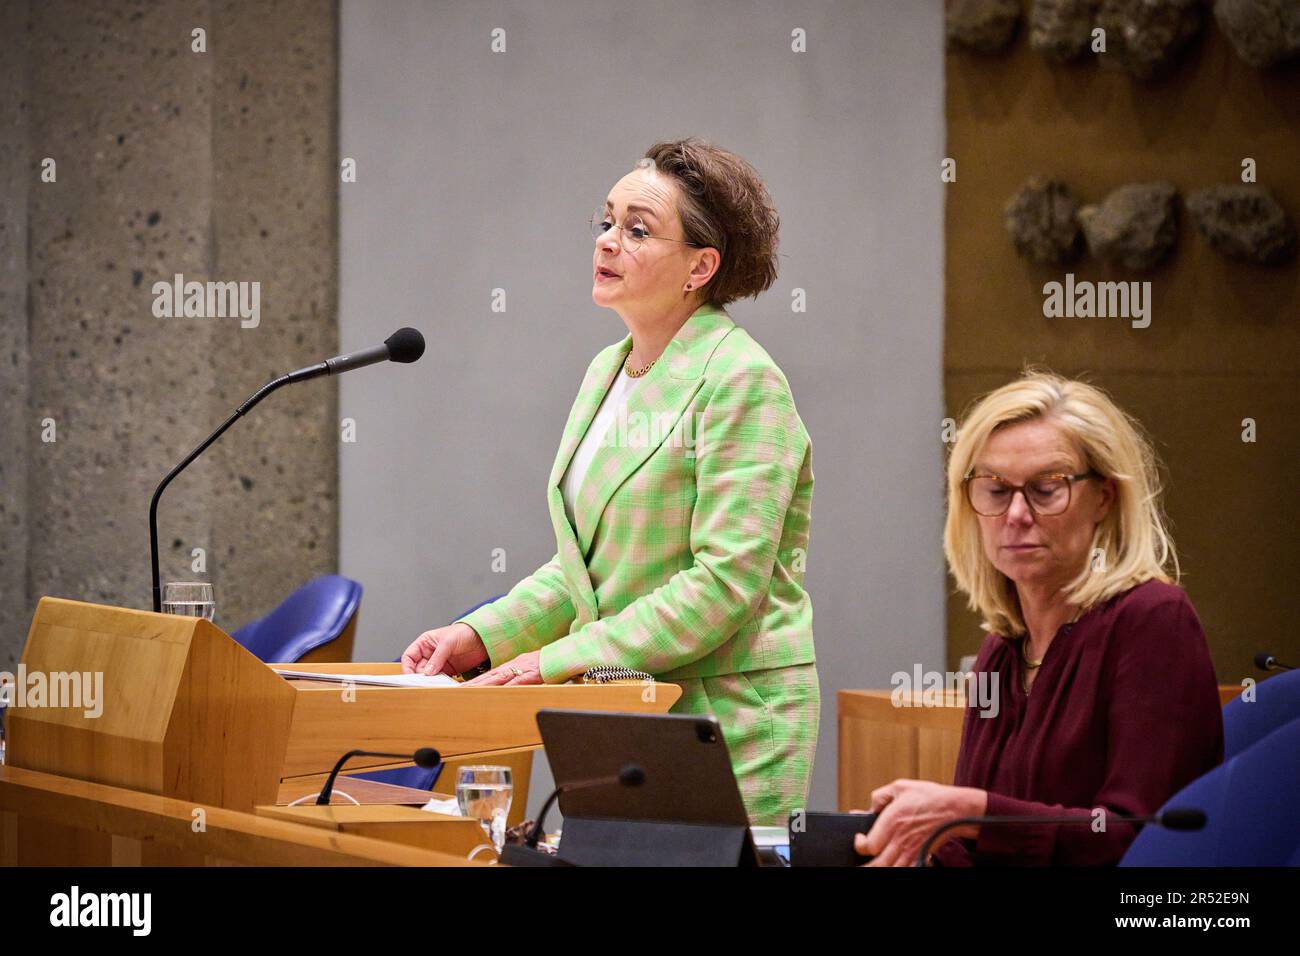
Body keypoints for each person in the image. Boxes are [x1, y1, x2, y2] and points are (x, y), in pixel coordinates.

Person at [401, 138, 818, 826]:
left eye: (638, 230)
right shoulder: (607, 371)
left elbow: (726, 583)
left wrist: (560, 658)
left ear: (700, 266)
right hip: (621, 702)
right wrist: (480, 635)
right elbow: (587, 569)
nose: (607, 241)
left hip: (727, 716)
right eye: (606, 221)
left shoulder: (742, 379)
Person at [854, 371, 1222, 865]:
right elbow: (978, 851)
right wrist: (877, 846)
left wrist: (970, 812)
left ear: (1104, 497)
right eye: (995, 489)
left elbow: (1138, 839)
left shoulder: (1153, 621)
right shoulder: (1002, 649)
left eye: (1047, 488)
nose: (1016, 515)